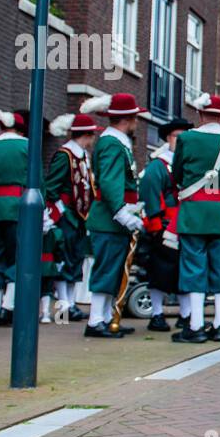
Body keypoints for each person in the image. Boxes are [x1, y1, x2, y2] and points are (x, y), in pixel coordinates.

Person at [172, 96, 220, 344]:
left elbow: (177, 172)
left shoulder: (187, 138)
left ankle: (196, 325)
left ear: (200, 115)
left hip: (194, 214)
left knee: (193, 269)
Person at [79, 93, 145, 337]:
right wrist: (121, 212)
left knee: (115, 270)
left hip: (114, 219)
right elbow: (109, 182)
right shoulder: (112, 143)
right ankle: (96, 320)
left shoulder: (116, 142)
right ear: (128, 118)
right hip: (109, 219)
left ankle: (106, 317)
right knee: (107, 270)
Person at [46, 112, 98, 322]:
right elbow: (52, 187)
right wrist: (60, 210)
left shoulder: (84, 156)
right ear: (86, 134)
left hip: (80, 215)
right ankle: (62, 308)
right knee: (64, 258)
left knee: (76, 258)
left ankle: (71, 302)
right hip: (67, 213)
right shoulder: (64, 154)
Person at [140, 116, 188, 333]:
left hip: (184, 226)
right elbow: (150, 194)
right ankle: (157, 314)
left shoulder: (187, 165)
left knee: (184, 272)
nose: (181, 141)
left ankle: (186, 315)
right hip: (164, 227)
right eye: (178, 136)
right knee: (159, 272)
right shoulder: (158, 167)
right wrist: (156, 226)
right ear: (168, 138)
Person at [0, 110, 29, 326]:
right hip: (17, 208)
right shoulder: (26, 146)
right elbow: (37, 180)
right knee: (16, 257)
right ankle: (8, 307)